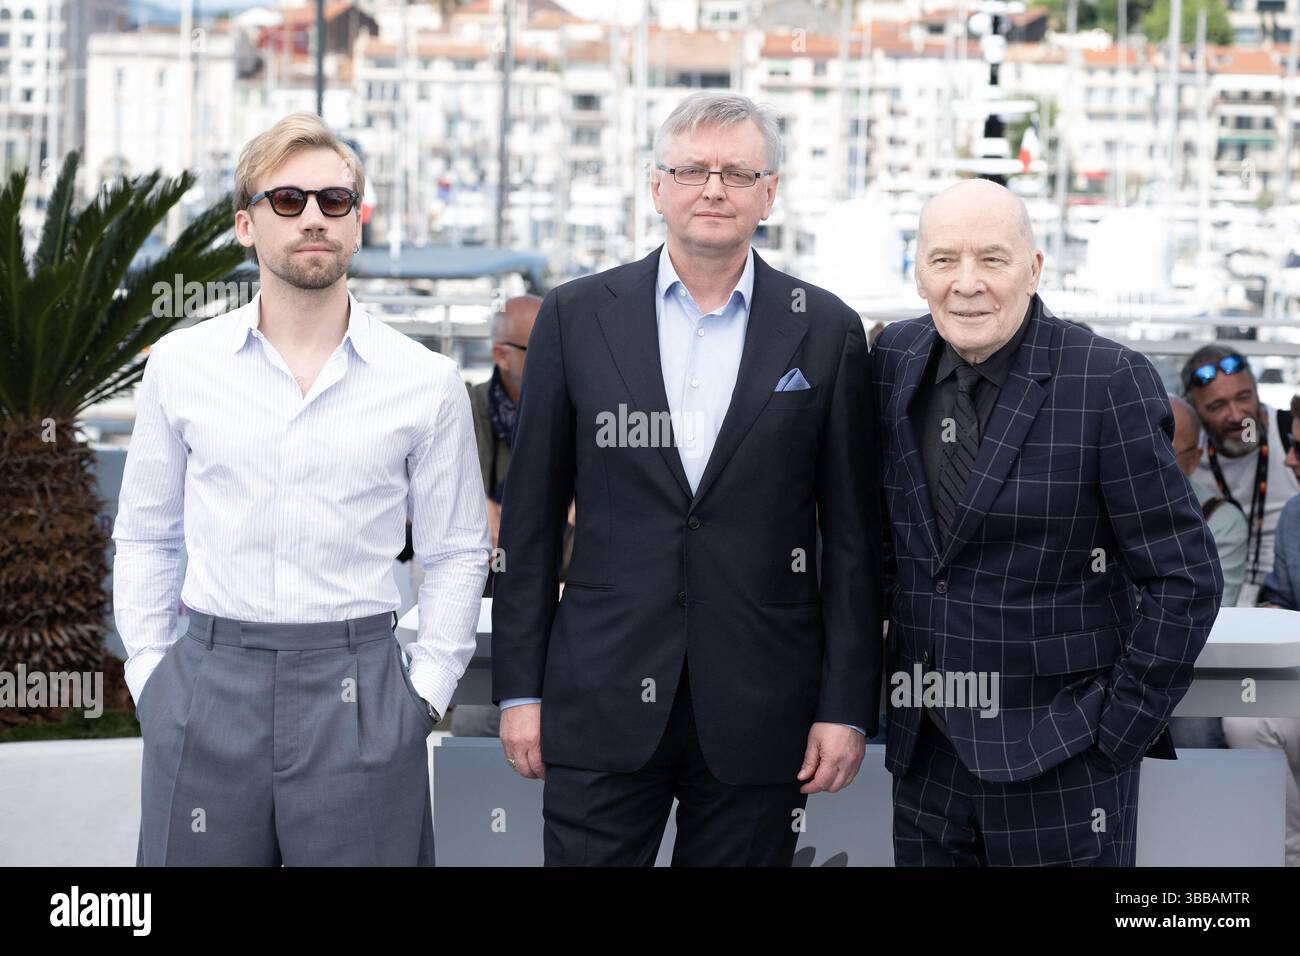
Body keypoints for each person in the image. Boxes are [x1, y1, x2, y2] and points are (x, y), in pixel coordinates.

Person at [491, 92, 883, 866]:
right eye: (693, 169)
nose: (713, 188)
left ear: (769, 193)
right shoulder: (575, 317)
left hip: (763, 705)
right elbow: (530, 521)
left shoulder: (827, 327)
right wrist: (519, 692)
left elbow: (852, 541)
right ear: (657, 186)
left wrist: (846, 708)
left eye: (738, 173)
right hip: (598, 696)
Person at [112, 112, 490, 865]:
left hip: (363, 690)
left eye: (334, 201)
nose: (313, 217)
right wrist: (152, 674)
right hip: (208, 684)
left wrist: (425, 692)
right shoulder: (182, 367)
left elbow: (454, 549)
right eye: (287, 201)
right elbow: (147, 534)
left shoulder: (426, 381)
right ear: (247, 224)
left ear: (357, 222)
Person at [872, 178, 1222, 866]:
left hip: (1063, 761)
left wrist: (1116, 735)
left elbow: (1185, 576)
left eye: (992, 259)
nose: (966, 283)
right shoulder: (892, 362)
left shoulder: (1106, 379)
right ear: (917, 273)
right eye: (944, 259)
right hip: (925, 762)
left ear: (1034, 269)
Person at [1222, 392, 1300, 867]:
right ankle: (1290, 855)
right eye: (1290, 443)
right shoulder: (1294, 517)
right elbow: (1283, 598)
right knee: (1245, 716)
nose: (1290, 457)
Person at [1184, 346, 1300, 606]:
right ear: (1196, 413)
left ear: (1258, 394)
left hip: (1280, 603)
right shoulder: (1187, 454)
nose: (1237, 415)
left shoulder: (1289, 437)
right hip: (1211, 603)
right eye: (1217, 406)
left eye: (1244, 397)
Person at [1166, 395, 1248, 750]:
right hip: (1101, 661)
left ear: (1194, 459)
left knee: (1193, 728)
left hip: (1187, 668)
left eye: (1166, 451)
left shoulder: (1220, 519)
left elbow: (1211, 620)